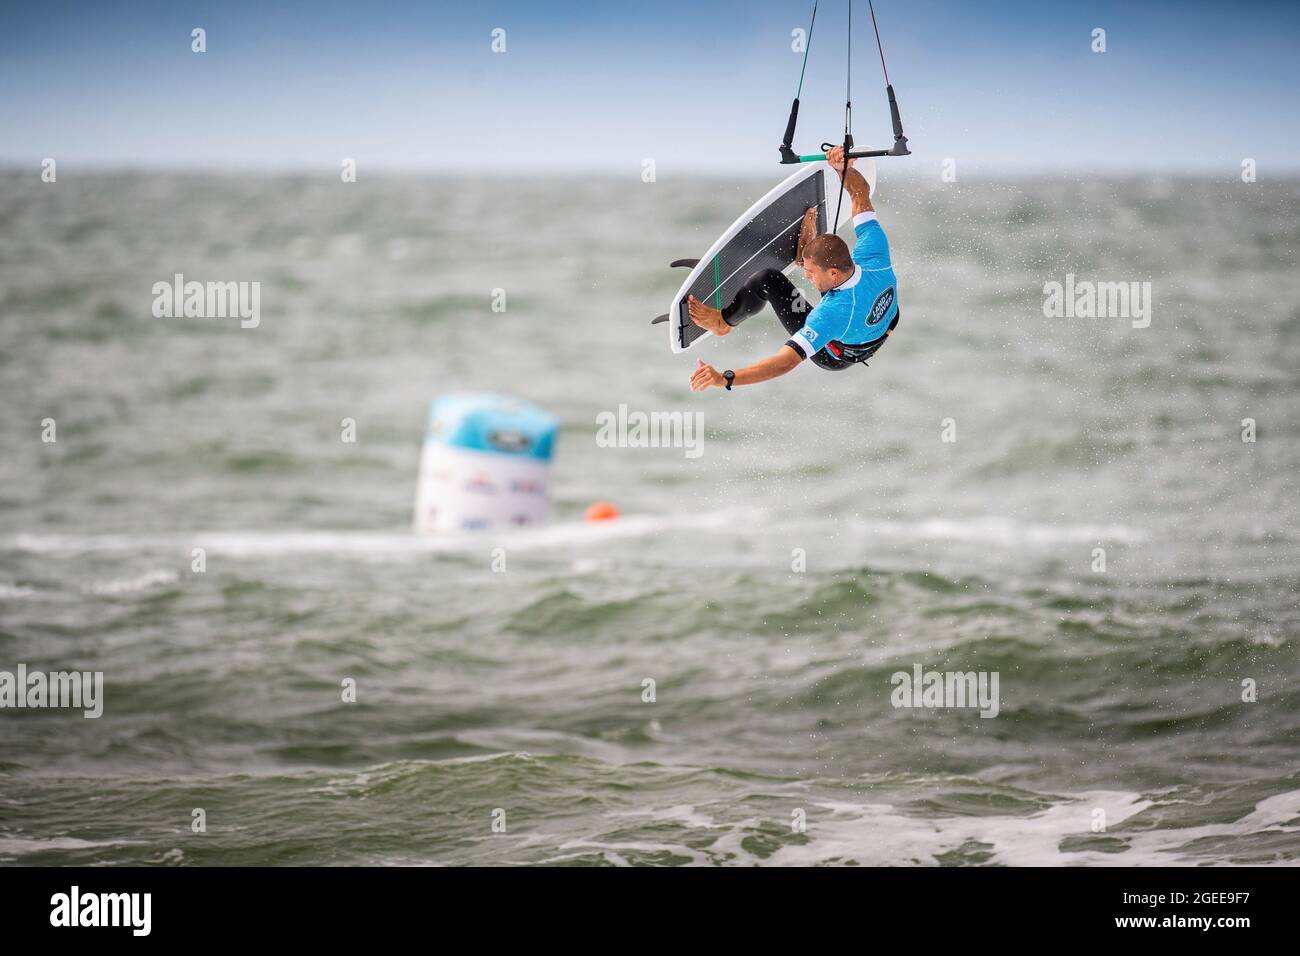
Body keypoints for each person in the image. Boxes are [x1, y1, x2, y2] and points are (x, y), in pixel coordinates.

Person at [687, 145, 900, 392]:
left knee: (767, 280)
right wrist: (842, 170)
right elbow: (859, 193)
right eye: (806, 269)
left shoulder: (830, 315)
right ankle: (807, 252)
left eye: (810, 271)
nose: (806, 277)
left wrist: (725, 378)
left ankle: (722, 322)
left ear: (833, 272)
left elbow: (785, 362)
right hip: (869, 322)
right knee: (821, 263)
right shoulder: (874, 249)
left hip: (836, 353)